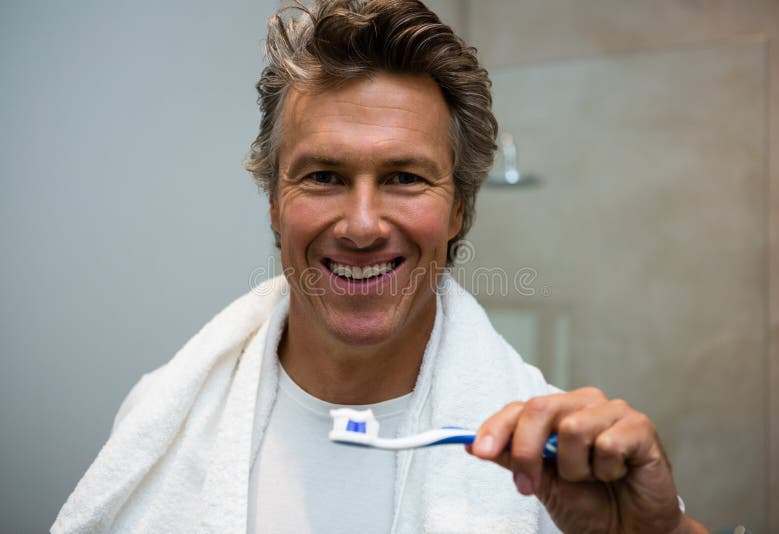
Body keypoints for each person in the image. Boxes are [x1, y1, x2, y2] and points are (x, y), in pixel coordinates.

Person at [53, 1, 708, 532]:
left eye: (403, 177)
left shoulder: (556, 468)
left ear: (458, 210)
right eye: (324, 176)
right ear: (276, 202)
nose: (362, 224)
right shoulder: (162, 418)